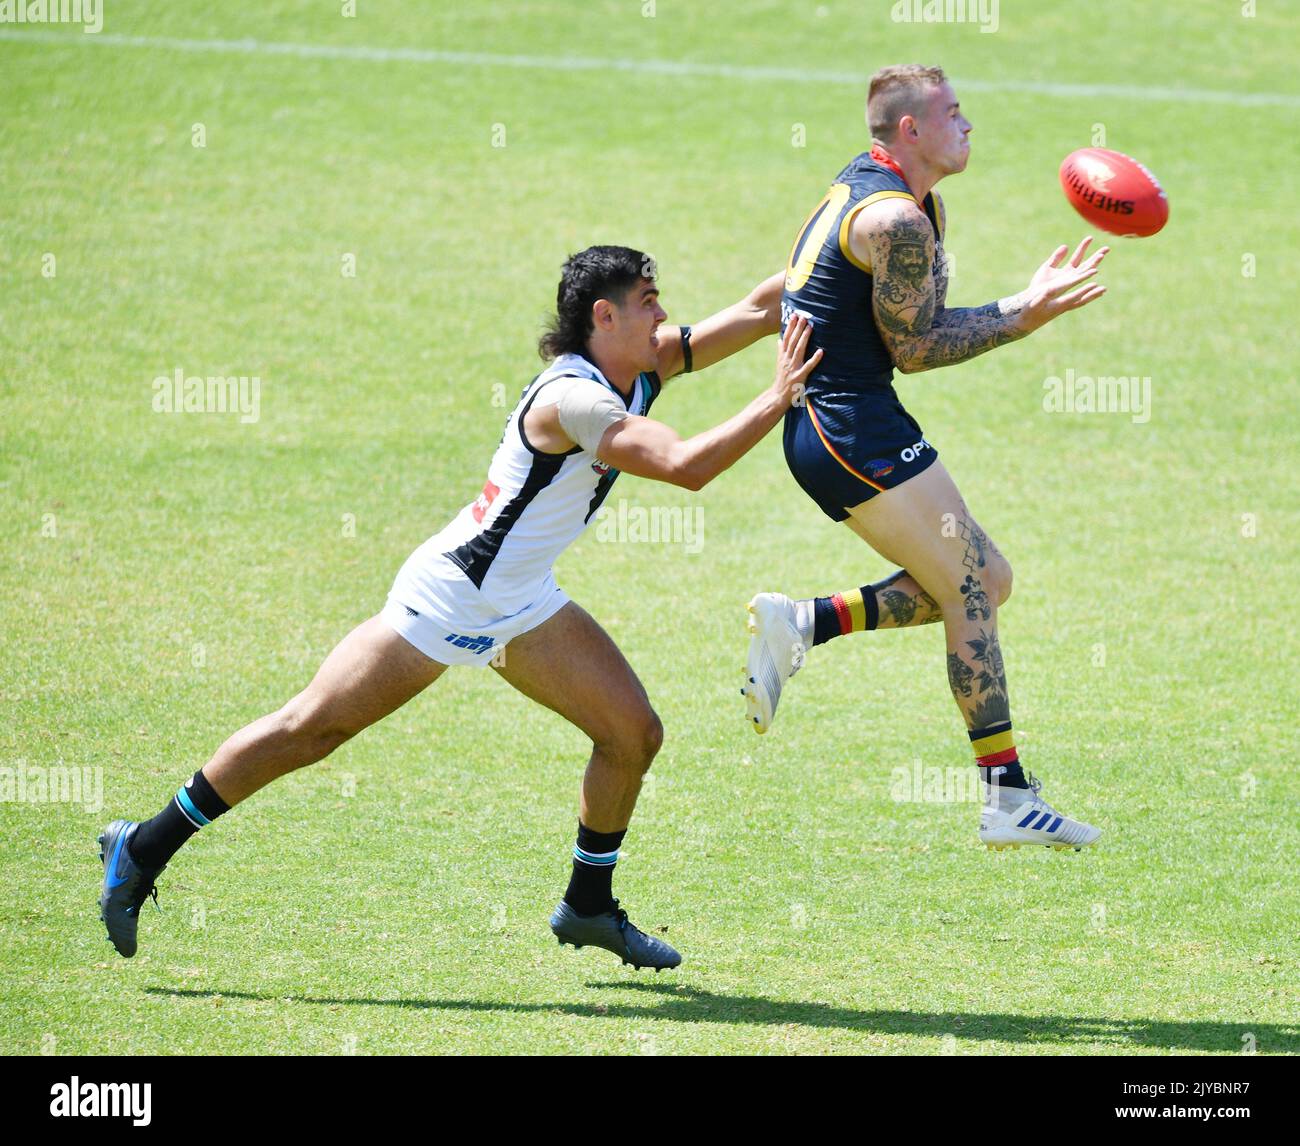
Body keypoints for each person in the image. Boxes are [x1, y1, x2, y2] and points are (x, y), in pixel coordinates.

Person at [99, 246, 820, 969]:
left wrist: (846, 240)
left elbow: (763, 309)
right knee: (312, 730)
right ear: (605, 317)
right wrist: (776, 395)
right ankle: (143, 846)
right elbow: (685, 466)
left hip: (522, 604)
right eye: (649, 301)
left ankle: (588, 906)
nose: (664, 315)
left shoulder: (642, 365)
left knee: (632, 735)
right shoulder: (574, 398)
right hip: (449, 597)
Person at [743, 66, 1105, 851]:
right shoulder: (896, 221)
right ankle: (1006, 797)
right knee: (969, 585)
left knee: (988, 581)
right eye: (953, 113)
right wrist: (1024, 312)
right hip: (847, 428)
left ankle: (804, 621)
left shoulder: (903, 200)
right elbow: (916, 345)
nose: (968, 124)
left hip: (852, 420)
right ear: (909, 131)